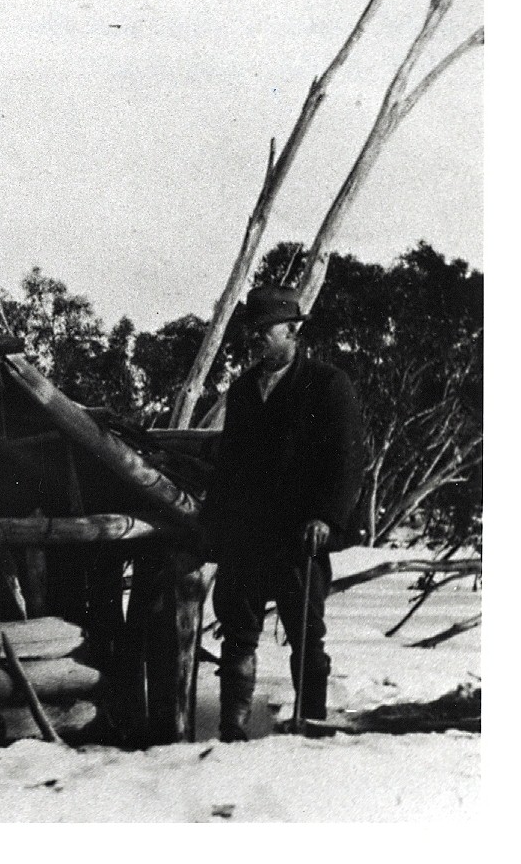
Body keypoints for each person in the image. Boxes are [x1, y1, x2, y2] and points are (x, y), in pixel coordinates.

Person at [204, 285, 366, 741]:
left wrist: (327, 518)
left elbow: (348, 461)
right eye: (250, 332)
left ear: (293, 331)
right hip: (247, 537)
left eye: (264, 331)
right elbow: (229, 466)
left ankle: (311, 728)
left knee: (306, 638)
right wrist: (213, 527)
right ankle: (231, 735)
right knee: (237, 634)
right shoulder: (241, 392)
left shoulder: (328, 385)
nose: (254, 340)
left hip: (300, 539)